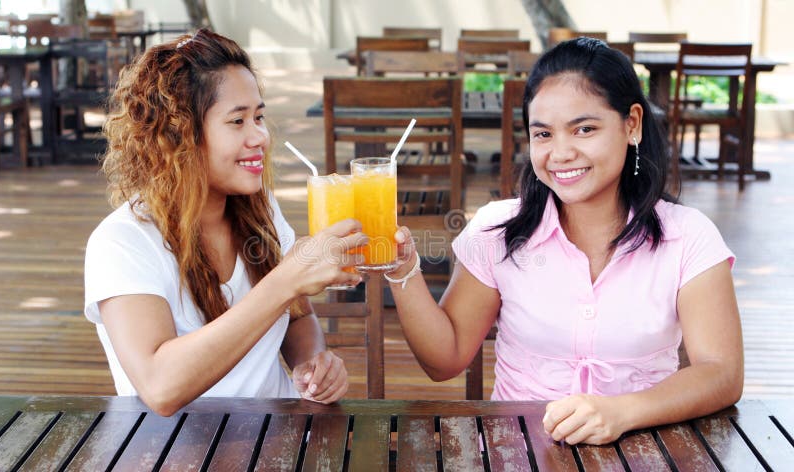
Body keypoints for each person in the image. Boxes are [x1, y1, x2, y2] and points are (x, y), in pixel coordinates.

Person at [385, 38, 743, 445]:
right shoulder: (496, 231)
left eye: (584, 129)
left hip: (645, 451)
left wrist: (622, 411)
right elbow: (443, 360)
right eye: (543, 134)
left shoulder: (689, 236)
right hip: (518, 452)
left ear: (632, 125)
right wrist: (404, 273)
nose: (561, 153)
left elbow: (721, 373)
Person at [84, 29, 366, 416]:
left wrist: (313, 361)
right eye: (237, 122)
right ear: (178, 135)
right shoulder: (122, 243)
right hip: (172, 451)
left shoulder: (258, 209)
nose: (260, 137)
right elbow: (161, 387)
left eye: (260, 117)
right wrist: (285, 281)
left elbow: (298, 317)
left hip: (277, 437)